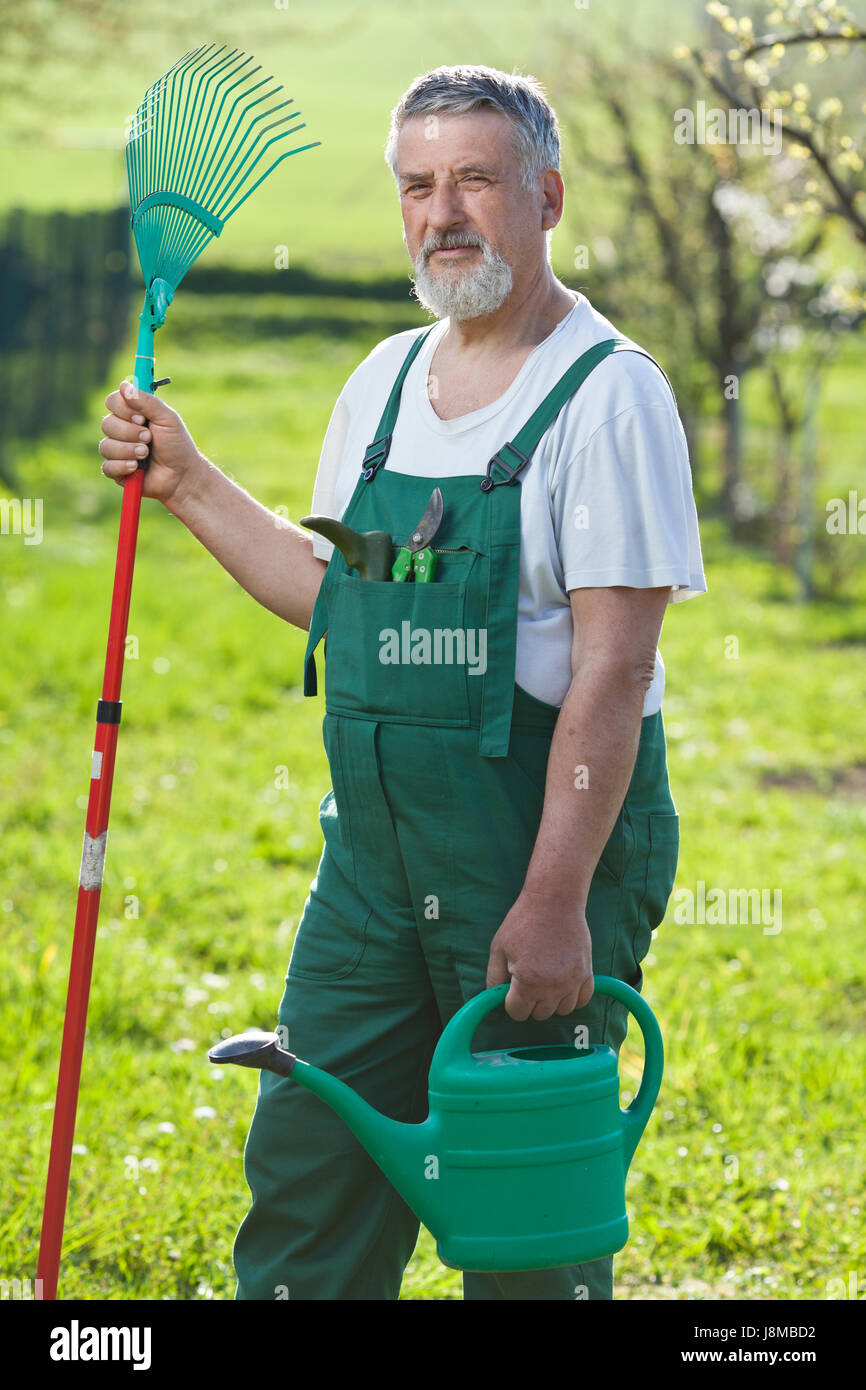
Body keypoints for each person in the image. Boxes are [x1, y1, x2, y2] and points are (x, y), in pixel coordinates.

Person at [99, 64, 706, 1301]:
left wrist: (555, 902)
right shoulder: (379, 385)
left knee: (525, 1219)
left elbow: (612, 669)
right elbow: (341, 594)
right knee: (308, 1186)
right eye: (417, 186)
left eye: (474, 180)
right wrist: (190, 480)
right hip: (371, 872)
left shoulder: (607, 395)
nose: (443, 214)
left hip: (528, 857)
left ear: (543, 194)